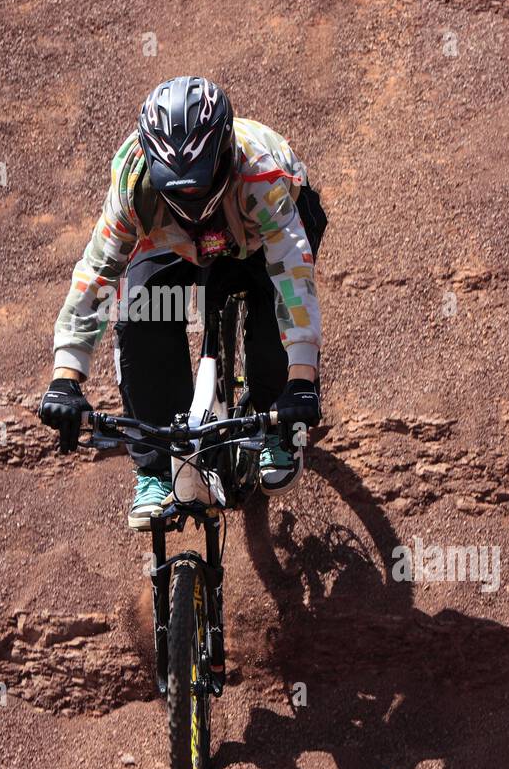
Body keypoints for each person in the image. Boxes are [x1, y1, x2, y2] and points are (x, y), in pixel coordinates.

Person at [38, 75, 325, 527]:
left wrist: (302, 380)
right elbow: (96, 275)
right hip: (170, 241)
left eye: (199, 184)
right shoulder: (134, 185)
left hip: (256, 233)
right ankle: (155, 468)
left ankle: (276, 427)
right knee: (139, 316)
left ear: (226, 156)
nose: (191, 197)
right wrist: (65, 377)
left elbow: (293, 276)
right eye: (177, 188)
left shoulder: (260, 176)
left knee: (273, 309)